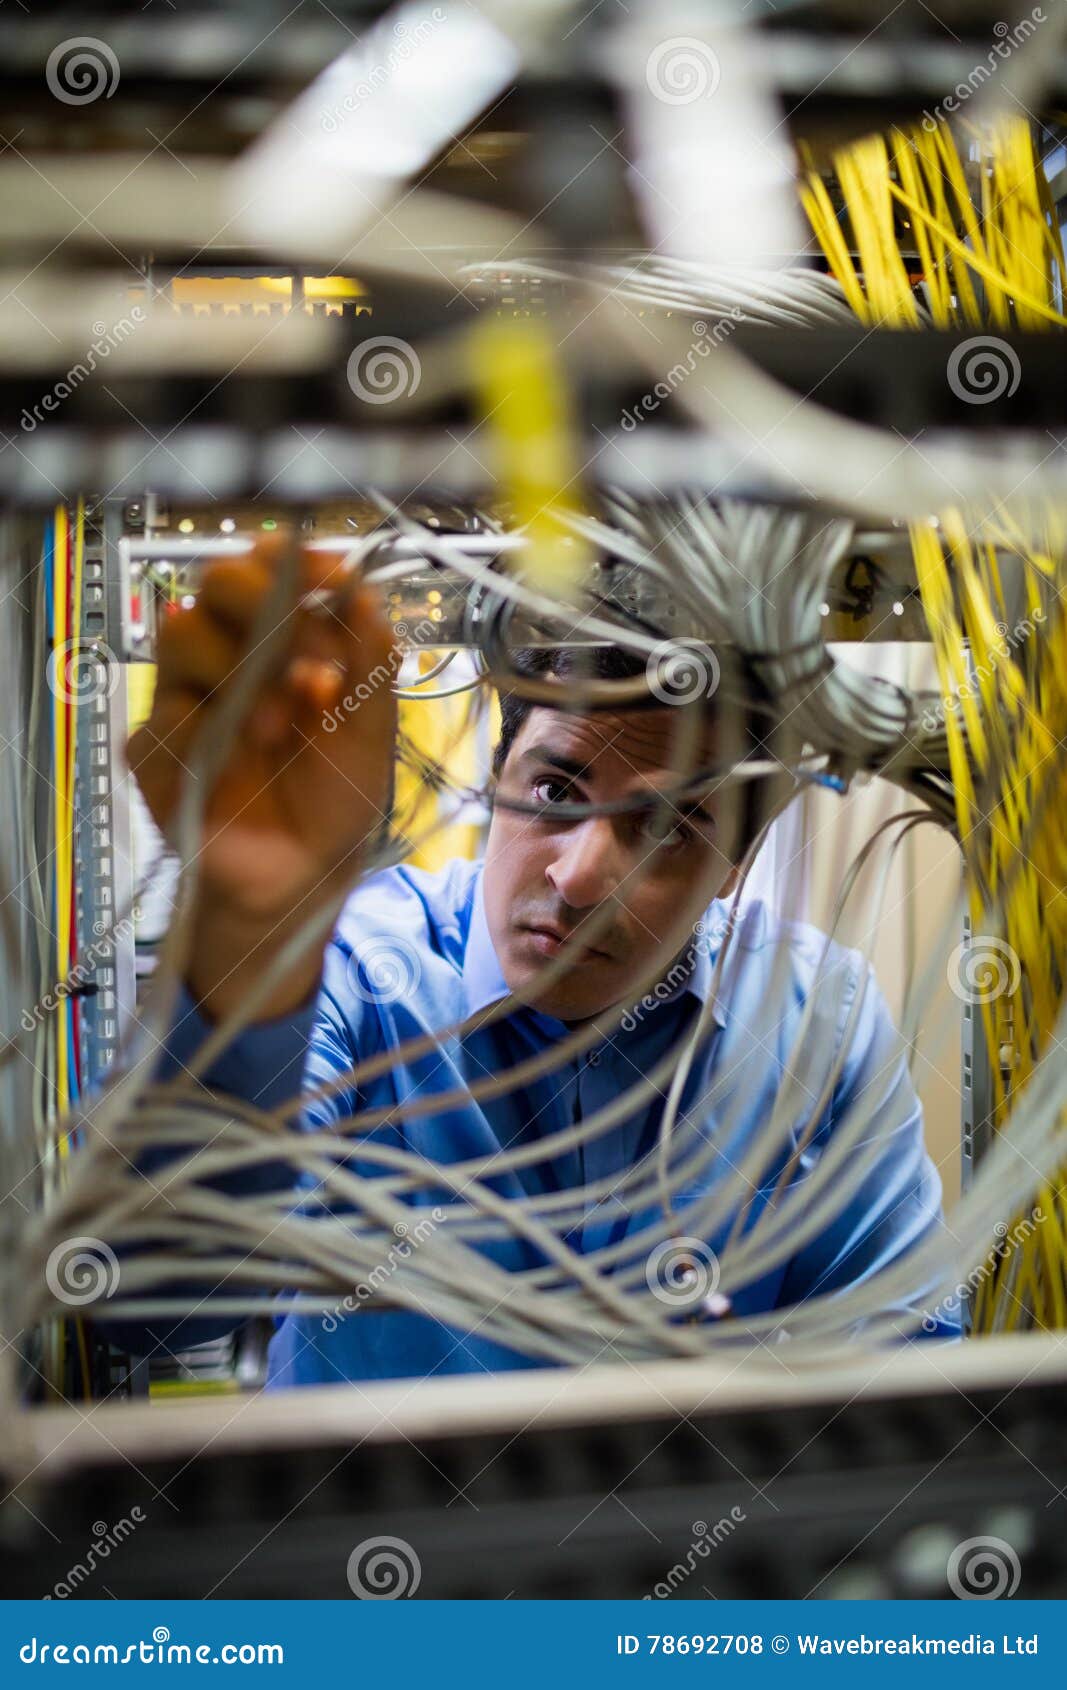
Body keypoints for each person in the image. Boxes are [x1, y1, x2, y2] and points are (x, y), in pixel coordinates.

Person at [116, 536, 955, 1388]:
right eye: (555, 791)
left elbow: (906, 1375)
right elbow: (155, 1313)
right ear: (496, 775)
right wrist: (242, 929)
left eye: (666, 826)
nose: (580, 876)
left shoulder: (818, 1022)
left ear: (735, 867)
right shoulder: (357, 970)